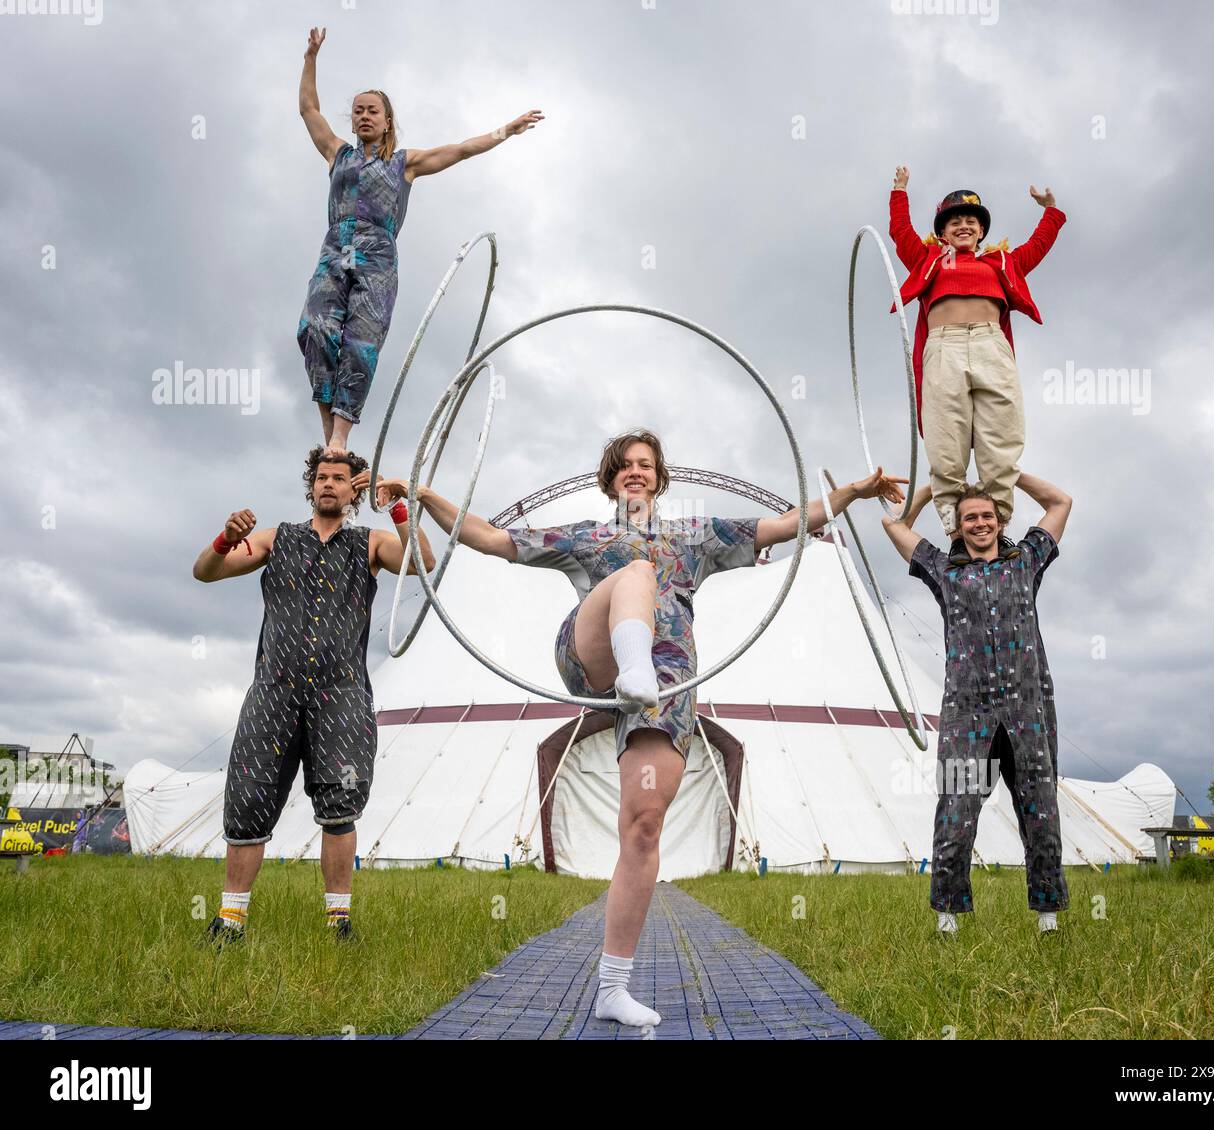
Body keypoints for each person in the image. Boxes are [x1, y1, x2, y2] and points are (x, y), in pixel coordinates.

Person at [370, 429, 906, 1024]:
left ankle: (612, 989)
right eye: (624, 465)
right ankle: (632, 666)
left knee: (645, 824)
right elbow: (492, 539)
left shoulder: (696, 538)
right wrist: (422, 496)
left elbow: (783, 525)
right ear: (610, 479)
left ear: (659, 477)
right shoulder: (585, 538)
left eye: (645, 466)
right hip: (593, 659)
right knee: (638, 577)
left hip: (665, 690)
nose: (635, 473)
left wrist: (856, 492)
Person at [193, 447, 434, 944]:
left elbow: (422, 563)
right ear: (312, 485)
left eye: (339, 478)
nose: (328, 484)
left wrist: (398, 507)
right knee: (250, 798)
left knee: (340, 806)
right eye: (321, 477)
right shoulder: (275, 538)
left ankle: (338, 924)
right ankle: (230, 921)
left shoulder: (370, 543)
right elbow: (205, 572)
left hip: (340, 694)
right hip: (273, 691)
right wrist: (225, 540)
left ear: (353, 490)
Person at [297, 26, 544, 455]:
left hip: (377, 256)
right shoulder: (337, 153)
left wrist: (507, 130)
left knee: (360, 342)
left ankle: (340, 438)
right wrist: (311, 58)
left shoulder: (404, 163)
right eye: (357, 111)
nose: (364, 116)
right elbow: (308, 109)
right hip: (335, 249)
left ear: (387, 119)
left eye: (372, 110)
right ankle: (328, 434)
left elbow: (462, 149)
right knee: (316, 329)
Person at [881, 472, 1072, 933]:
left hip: (1028, 707)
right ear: (957, 527)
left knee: (1040, 808)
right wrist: (936, 484)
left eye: (987, 515)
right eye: (970, 518)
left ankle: (1048, 917)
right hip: (969, 711)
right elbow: (894, 524)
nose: (980, 523)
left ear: (1000, 520)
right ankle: (948, 918)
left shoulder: (1025, 560)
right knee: (957, 809)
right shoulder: (944, 569)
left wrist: (1005, 473)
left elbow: (1061, 501)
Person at [888, 166, 1066, 561]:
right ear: (943, 231)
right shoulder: (927, 260)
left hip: (990, 344)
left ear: (981, 231)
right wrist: (899, 191)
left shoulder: (1000, 263)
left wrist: (1051, 211)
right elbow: (900, 234)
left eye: (971, 221)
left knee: (1000, 441)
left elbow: (1037, 246)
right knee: (945, 441)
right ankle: (956, 535)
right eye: (955, 222)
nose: (963, 226)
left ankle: (997, 529)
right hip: (944, 347)